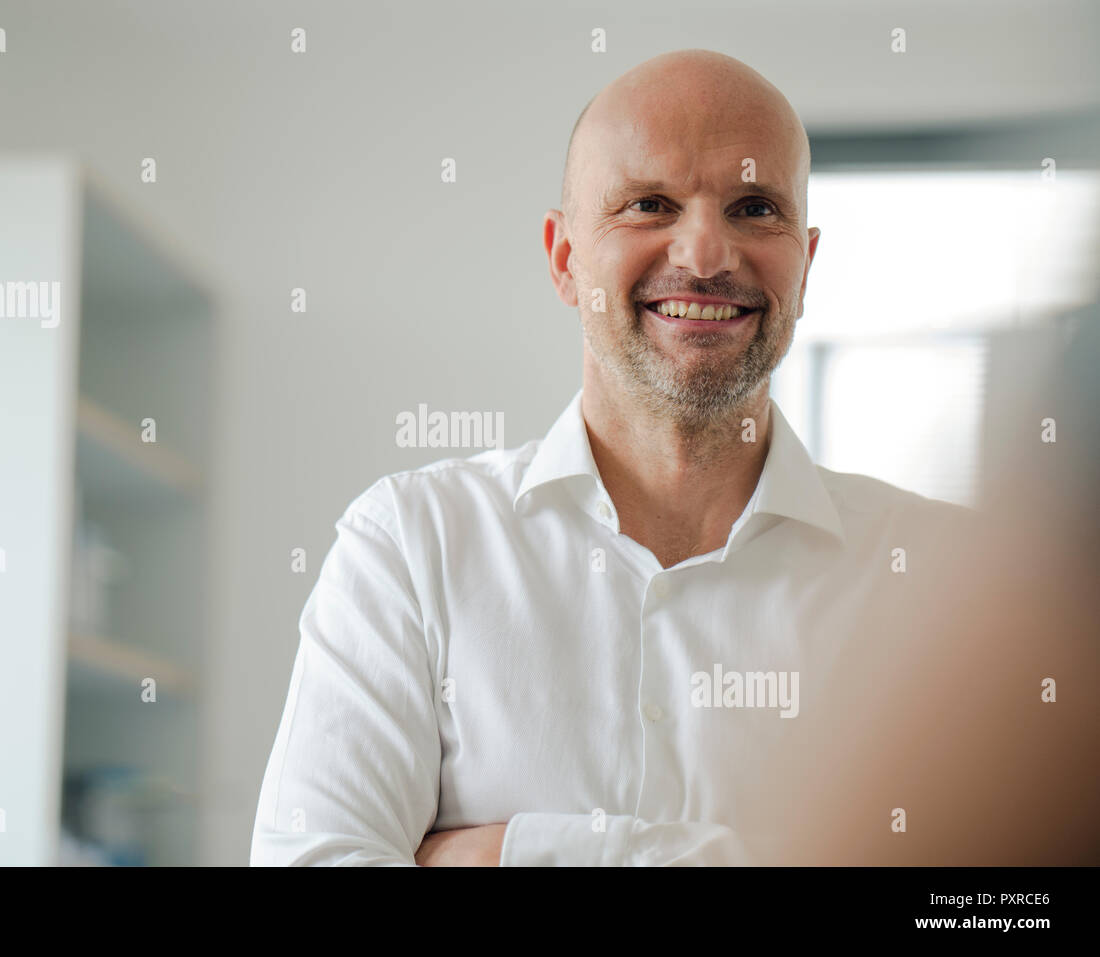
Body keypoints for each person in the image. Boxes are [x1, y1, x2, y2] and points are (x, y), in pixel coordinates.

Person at [249, 49, 971, 866]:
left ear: (805, 266)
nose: (704, 254)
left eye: (754, 207)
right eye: (649, 203)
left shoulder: (951, 578)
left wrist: (506, 854)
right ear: (564, 259)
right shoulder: (410, 546)